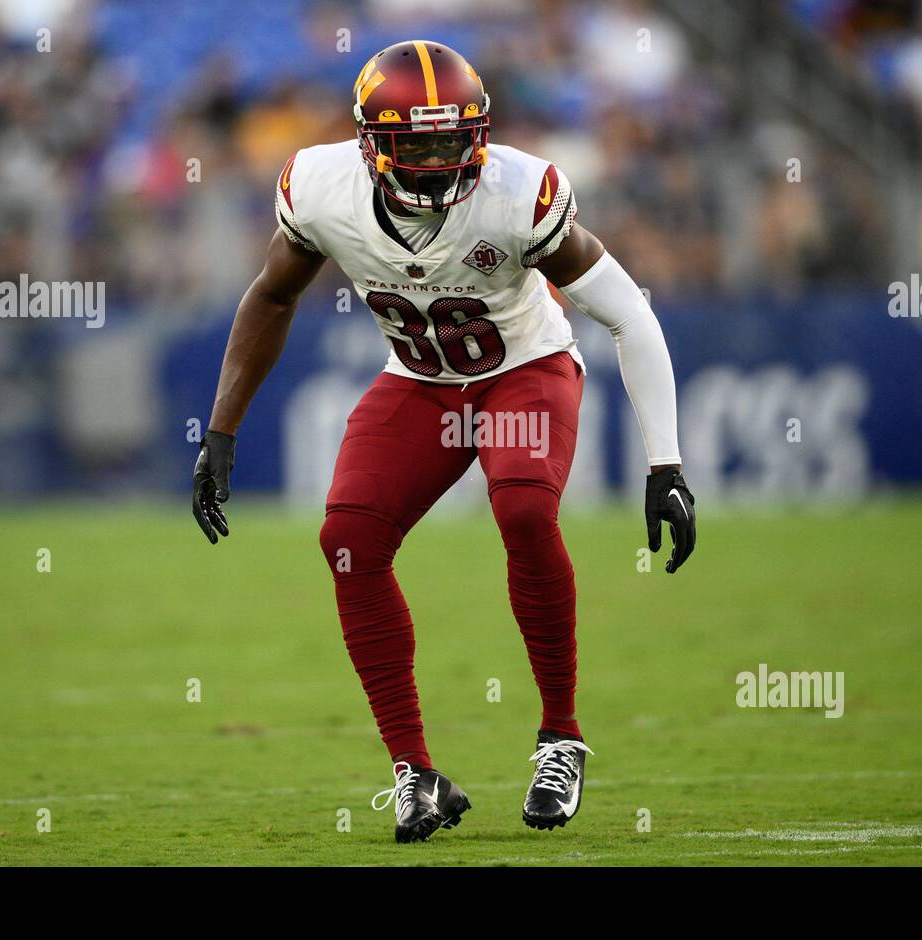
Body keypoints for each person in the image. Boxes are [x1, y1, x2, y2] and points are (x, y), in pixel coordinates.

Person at [192, 41, 696, 842]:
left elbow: (629, 311)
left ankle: (561, 737)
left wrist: (665, 461)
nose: (436, 160)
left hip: (522, 370)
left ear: (480, 134)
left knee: (526, 513)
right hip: (422, 382)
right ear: (369, 144)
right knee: (348, 538)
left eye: (451, 139)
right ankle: (415, 772)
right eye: (415, 144)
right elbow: (272, 296)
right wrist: (222, 429)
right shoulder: (321, 189)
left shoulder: (517, 192)